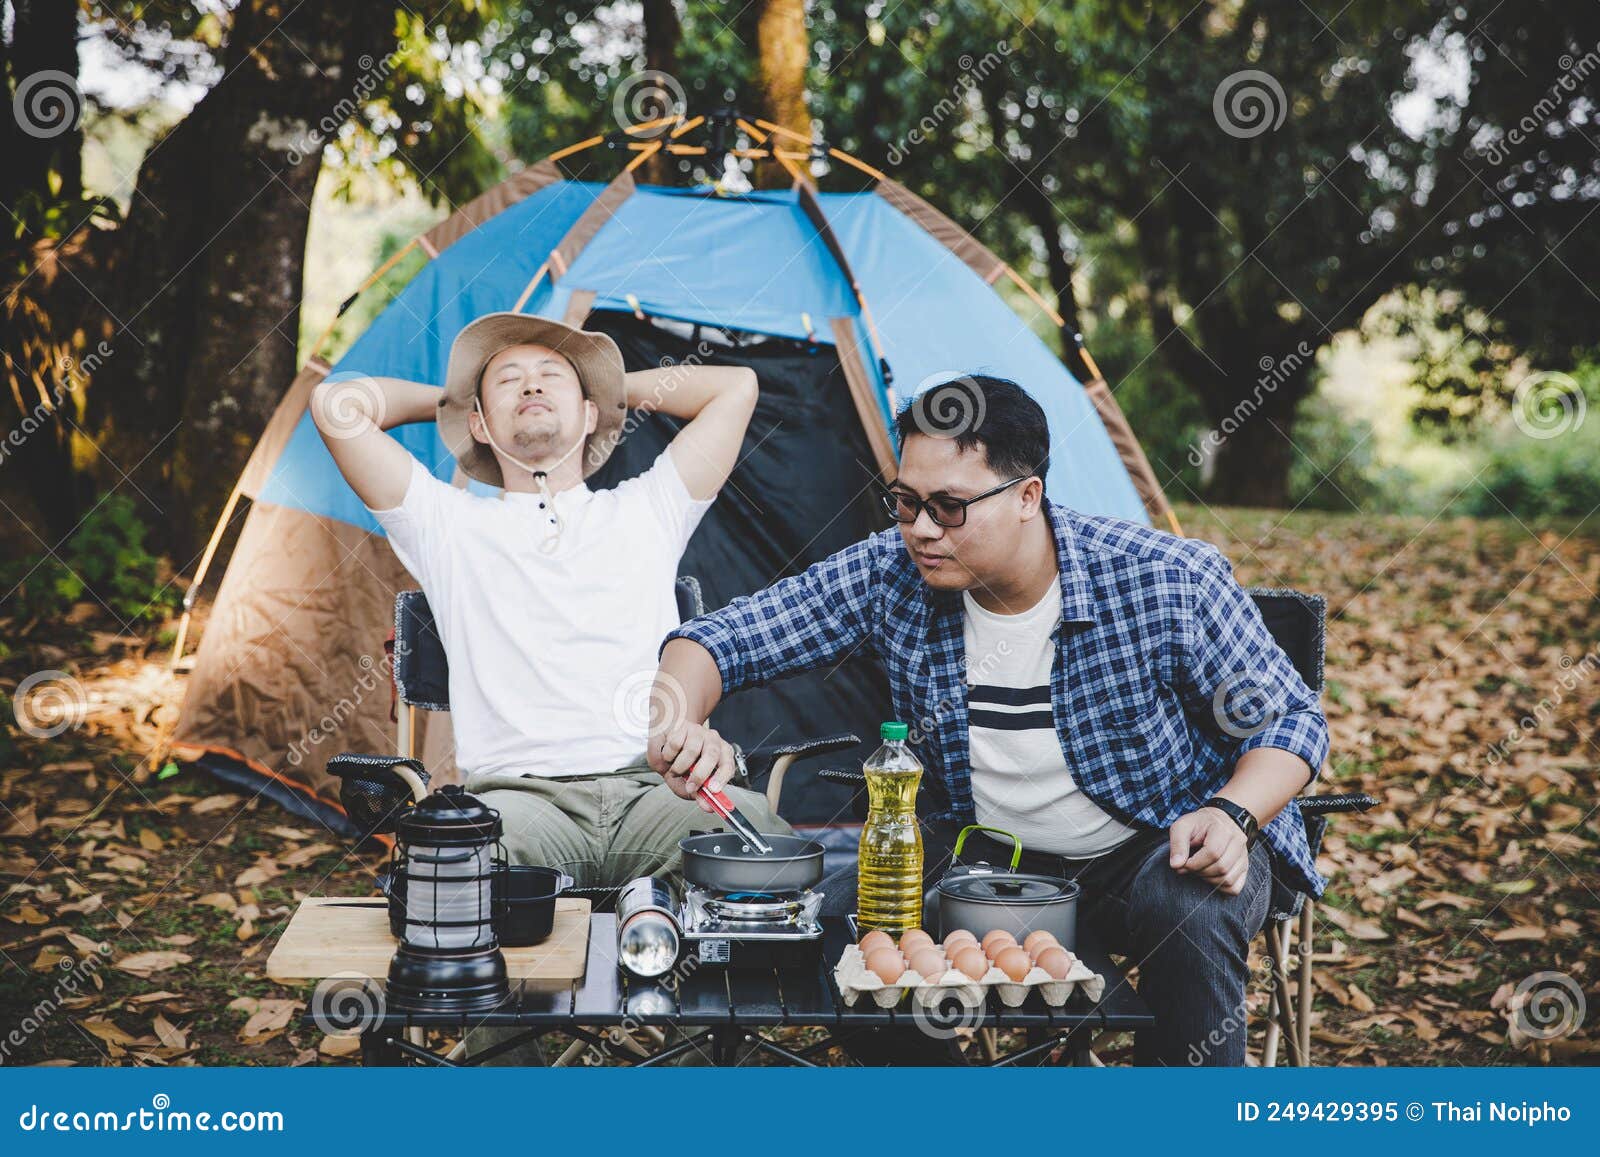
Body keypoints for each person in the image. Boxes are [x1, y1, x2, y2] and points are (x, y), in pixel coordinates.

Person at [650, 374, 1329, 1066]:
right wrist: (678, 718)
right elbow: (722, 639)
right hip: (988, 857)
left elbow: (1291, 720)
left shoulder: (1163, 578)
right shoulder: (893, 572)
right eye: (906, 501)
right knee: (842, 924)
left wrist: (1233, 814)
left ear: (1027, 496)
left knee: (1186, 902)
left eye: (949, 507)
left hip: (1157, 843)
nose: (920, 528)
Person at [311, 312, 791, 894]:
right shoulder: (446, 524)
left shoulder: (649, 506)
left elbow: (735, 386)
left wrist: (610, 390)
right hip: (520, 804)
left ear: (591, 414)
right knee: (452, 872)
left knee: (761, 841)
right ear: (481, 425)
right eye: (509, 379)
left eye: (552, 376)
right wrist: (456, 401)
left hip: (655, 792)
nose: (532, 385)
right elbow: (335, 405)